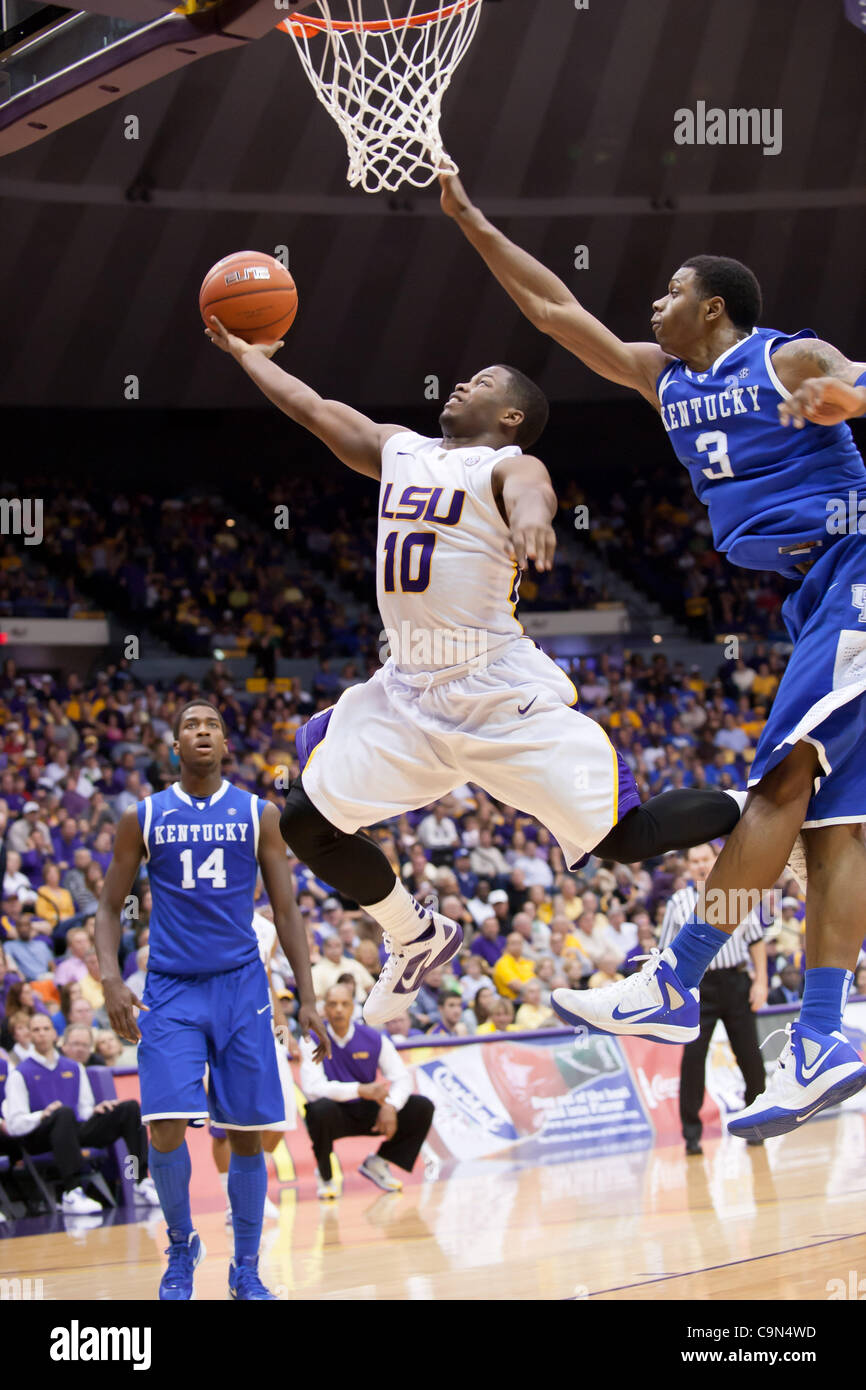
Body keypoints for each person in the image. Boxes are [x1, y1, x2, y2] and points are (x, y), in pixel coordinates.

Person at [440, 172, 866, 1136]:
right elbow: (555, 309)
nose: (652, 305)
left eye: (669, 292)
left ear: (712, 307)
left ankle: (674, 980)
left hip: (855, 567)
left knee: (777, 786)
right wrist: (471, 219)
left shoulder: (782, 355)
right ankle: (825, 1039)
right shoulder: (662, 377)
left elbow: (852, 379)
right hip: (813, 596)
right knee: (833, 829)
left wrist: (845, 394)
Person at [207, 318, 748, 1039]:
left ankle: (752, 807)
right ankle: (416, 935)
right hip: (406, 693)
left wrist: (533, 520)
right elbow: (314, 409)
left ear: (511, 417)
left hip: (494, 690)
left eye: (484, 383)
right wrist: (248, 357)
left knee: (624, 838)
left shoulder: (506, 466)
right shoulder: (400, 449)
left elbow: (533, 488)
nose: (464, 383)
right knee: (304, 822)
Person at [94, 700, 329, 1301]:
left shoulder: (260, 814)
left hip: (242, 987)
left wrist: (306, 996)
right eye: (190, 727)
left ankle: (245, 1270)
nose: (201, 732)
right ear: (175, 746)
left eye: (212, 726)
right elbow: (107, 908)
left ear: (226, 743)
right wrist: (112, 981)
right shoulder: (141, 817)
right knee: (165, 1126)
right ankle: (181, 1249)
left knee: (246, 1132)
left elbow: (285, 911)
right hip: (171, 988)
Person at [656, 844, 768, 1155]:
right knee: (692, 1061)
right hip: (697, 988)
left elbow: (756, 941)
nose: (702, 865)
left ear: (715, 860)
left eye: (706, 859)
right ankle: (692, 1134)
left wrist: (761, 981)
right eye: (695, 861)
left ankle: (756, 1122)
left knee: (750, 1056)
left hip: (735, 982)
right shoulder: (678, 903)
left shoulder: (736, 894)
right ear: (688, 867)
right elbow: (666, 952)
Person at [2, 1014, 159, 1215]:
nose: (41, 1034)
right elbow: (14, 1124)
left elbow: (84, 1110)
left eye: (46, 1028)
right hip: (38, 1136)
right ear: (29, 1036)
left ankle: (140, 1181)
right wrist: (42, 1115)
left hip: (71, 1129)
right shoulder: (19, 1073)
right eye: (35, 1030)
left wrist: (98, 1110)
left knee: (129, 1109)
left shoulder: (74, 1067)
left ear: (54, 1034)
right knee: (63, 1113)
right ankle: (71, 1191)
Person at [300, 983, 435, 1200]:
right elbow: (313, 1088)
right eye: (333, 1004)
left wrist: (391, 1105)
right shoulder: (311, 1040)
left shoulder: (373, 1038)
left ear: (353, 1007)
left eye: (344, 1004)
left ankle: (379, 1163)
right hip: (335, 1113)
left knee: (421, 1107)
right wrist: (360, 1089)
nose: (339, 1010)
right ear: (324, 1008)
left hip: (368, 1111)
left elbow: (402, 1078)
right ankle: (325, 1176)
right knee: (318, 1109)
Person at [211, 911, 299, 1227]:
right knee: (225, 1124)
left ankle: (250, 1191)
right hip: (225, 1026)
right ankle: (232, 1202)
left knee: (282, 1117)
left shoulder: (267, 929)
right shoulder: (210, 916)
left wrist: (283, 1028)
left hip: (263, 1027)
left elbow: (265, 978)